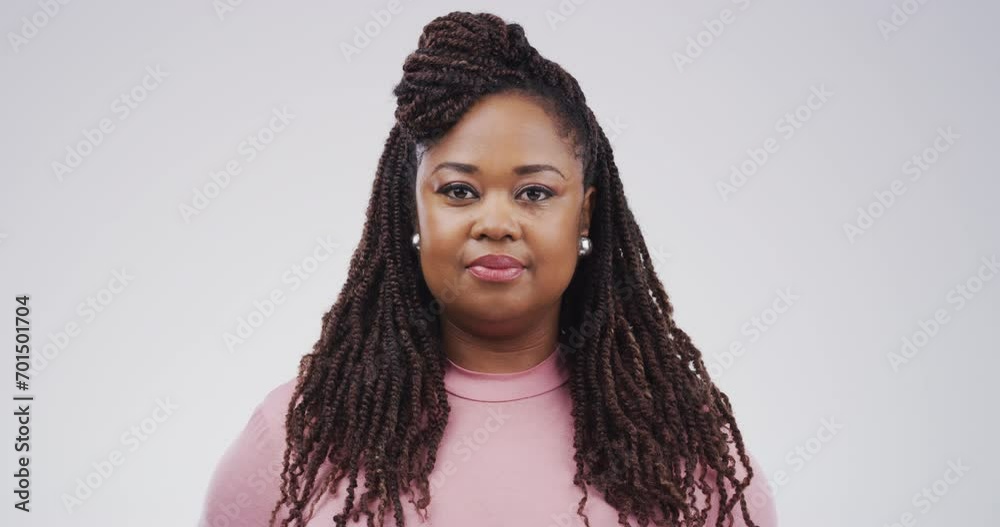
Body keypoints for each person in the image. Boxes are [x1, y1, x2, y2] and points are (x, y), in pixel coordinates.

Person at [199, 11, 778, 527]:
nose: (496, 223)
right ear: (412, 210)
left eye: (534, 193)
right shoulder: (299, 433)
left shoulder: (686, 448)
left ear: (584, 214)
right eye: (459, 190)